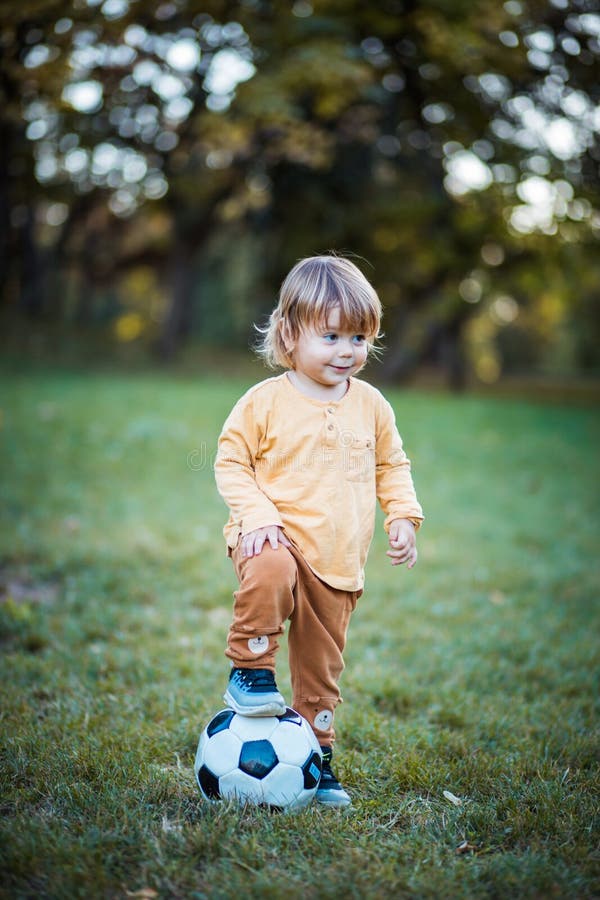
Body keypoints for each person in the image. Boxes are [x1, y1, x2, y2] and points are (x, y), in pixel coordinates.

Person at [214, 255, 423, 807]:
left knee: (320, 671)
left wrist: (402, 514)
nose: (346, 350)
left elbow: (392, 465)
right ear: (290, 333)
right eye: (330, 336)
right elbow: (231, 462)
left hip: (337, 562)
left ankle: (316, 756)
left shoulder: (372, 405)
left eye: (358, 337)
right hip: (271, 538)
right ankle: (250, 668)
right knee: (270, 566)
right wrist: (257, 514)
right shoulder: (263, 402)